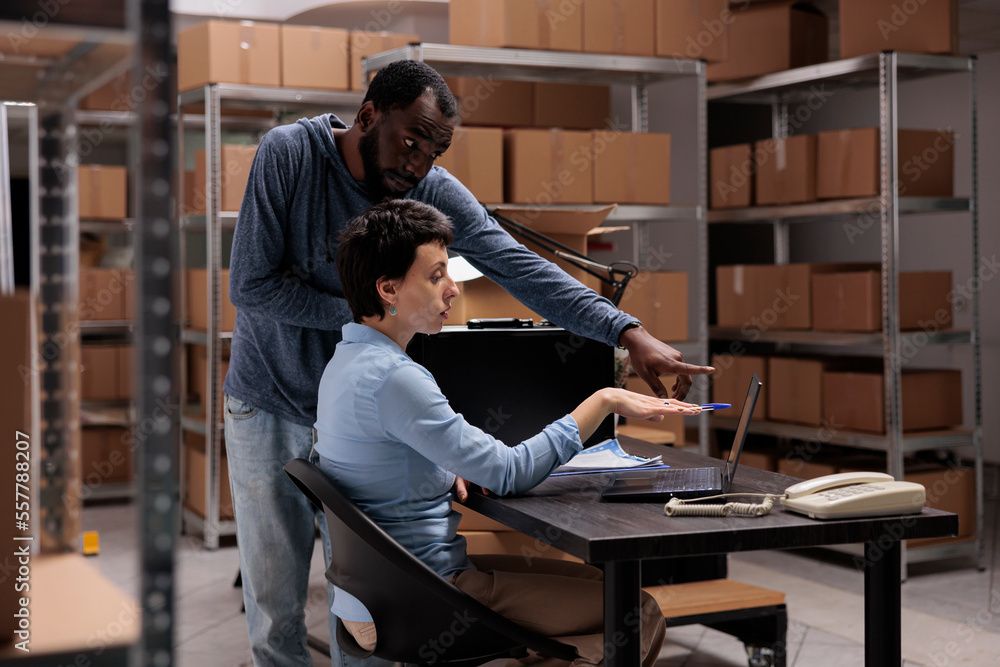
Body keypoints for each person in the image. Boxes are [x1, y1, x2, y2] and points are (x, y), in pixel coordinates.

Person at [224, 59, 713, 667]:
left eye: (436, 150)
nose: (419, 163)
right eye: (411, 141)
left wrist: (624, 329)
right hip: (269, 395)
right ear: (368, 115)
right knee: (275, 609)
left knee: (361, 596)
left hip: (352, 408)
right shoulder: (289, 155)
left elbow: (520, 266)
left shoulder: (425, 188)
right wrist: (372, 311)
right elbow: (250, 286)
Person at [317, 198, 701, 666]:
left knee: (607, 592)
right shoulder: (395, 378)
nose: (453, 289)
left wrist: (439, 467)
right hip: (427, 592)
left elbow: (381, 465)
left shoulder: (345, 363)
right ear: (388, 289)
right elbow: (510, 472)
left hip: (378, 591)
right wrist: (605, 400)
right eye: (436, 275)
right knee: (634, 612)